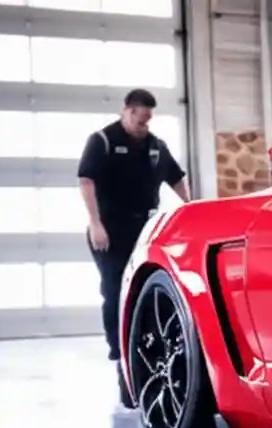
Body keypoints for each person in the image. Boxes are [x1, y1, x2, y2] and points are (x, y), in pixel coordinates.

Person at [77, 89, 189, 404]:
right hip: (110, 229)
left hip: (144, 227)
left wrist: (190, 208)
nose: (144, 126)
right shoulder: (102, 141)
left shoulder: (155, 146)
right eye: (140, 120)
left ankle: (147, 354)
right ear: (127, 111)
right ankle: (119, 357)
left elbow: (176, 179)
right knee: (115, 291)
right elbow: (86, 181)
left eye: (148, 121)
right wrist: (95, 223)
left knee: (145, 290)